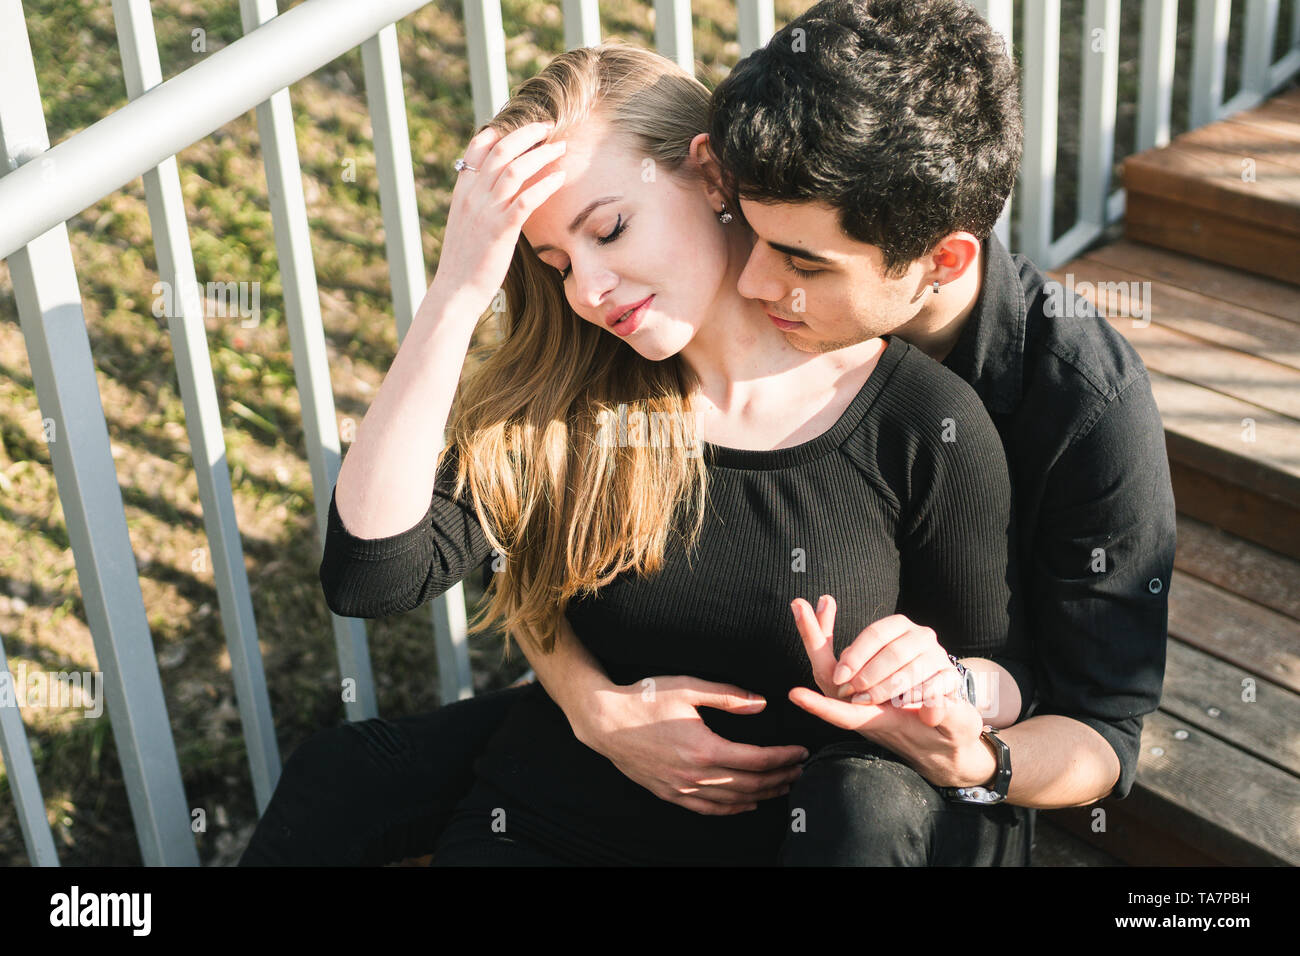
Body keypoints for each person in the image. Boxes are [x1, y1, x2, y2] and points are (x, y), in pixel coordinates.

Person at [243, 0, 1176, 867]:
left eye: (802, 260)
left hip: (880, 793)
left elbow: (1072, 708)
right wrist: (590, 705)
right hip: (617, 778)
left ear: (939, 262)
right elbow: (380, 571)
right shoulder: (607, 366)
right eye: (558, 261)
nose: (764, 284)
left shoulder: (1029, 402)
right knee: (344, 776)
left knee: (860, 811)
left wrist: (955, 710)